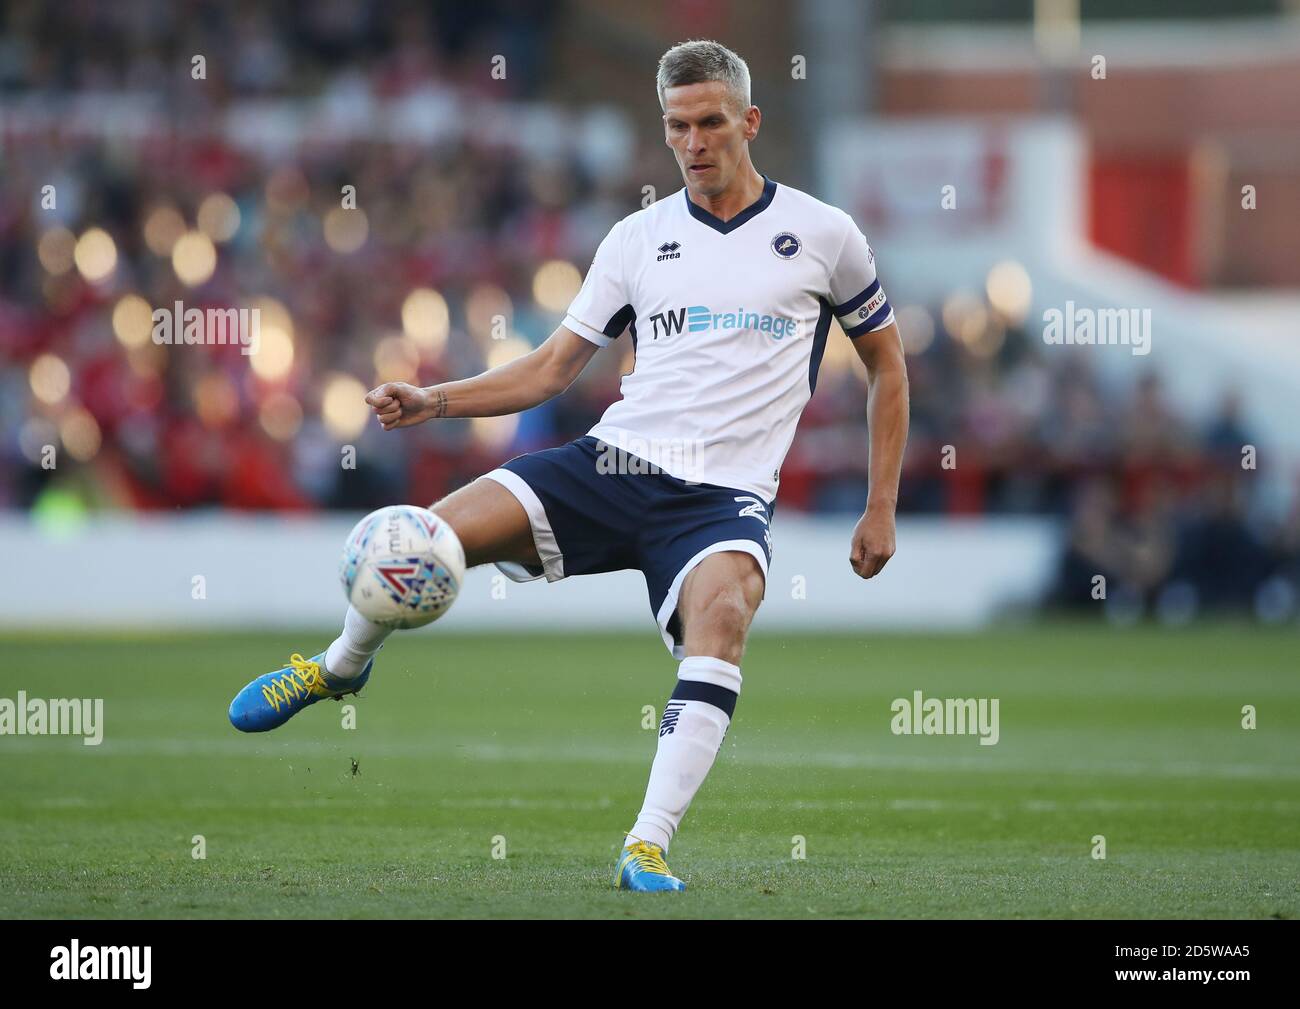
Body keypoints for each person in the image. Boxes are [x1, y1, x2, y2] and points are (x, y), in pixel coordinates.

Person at [228, 40, 910, 893]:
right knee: (418, 537)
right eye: (676, 127)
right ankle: (337, 667)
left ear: (750, 121)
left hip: (722, 501)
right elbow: (551, 368)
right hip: (612, 465)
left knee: (725, 610)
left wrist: (880, 504)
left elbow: (887, 361)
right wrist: (434, 399)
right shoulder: (637, 239)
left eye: (710, 123)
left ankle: (646, 844)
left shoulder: (821, 234)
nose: (694, 144)